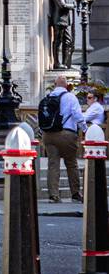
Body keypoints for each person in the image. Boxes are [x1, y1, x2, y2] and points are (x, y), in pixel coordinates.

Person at [38, 74, 84, 203]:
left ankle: (54, 195)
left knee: (53, 164)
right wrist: (86, 129)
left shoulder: (47, 98)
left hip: (48, 135)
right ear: (66, 85)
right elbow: (77, 115)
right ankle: (75, 194)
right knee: (71, 164)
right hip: (66, 135)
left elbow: (41, 117)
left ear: (54, 85)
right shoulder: (70, 97)